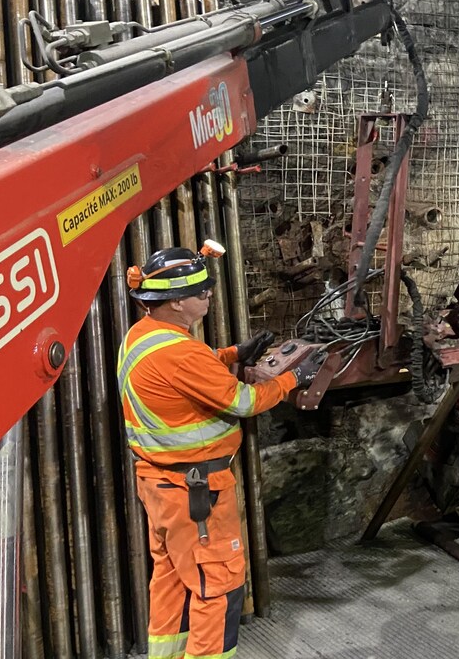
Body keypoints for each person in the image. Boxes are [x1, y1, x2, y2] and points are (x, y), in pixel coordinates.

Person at [118, 244, 324, 659]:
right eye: (202, 292)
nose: (210, 296)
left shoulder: (145, 336)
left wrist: (233, 355)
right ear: (176, 302)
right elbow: (245, 402)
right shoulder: (179, 352)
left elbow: (187, 371)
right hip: (197, 493)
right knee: (219, 586)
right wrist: (292, 378)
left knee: (174, 579)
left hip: (161, 486)